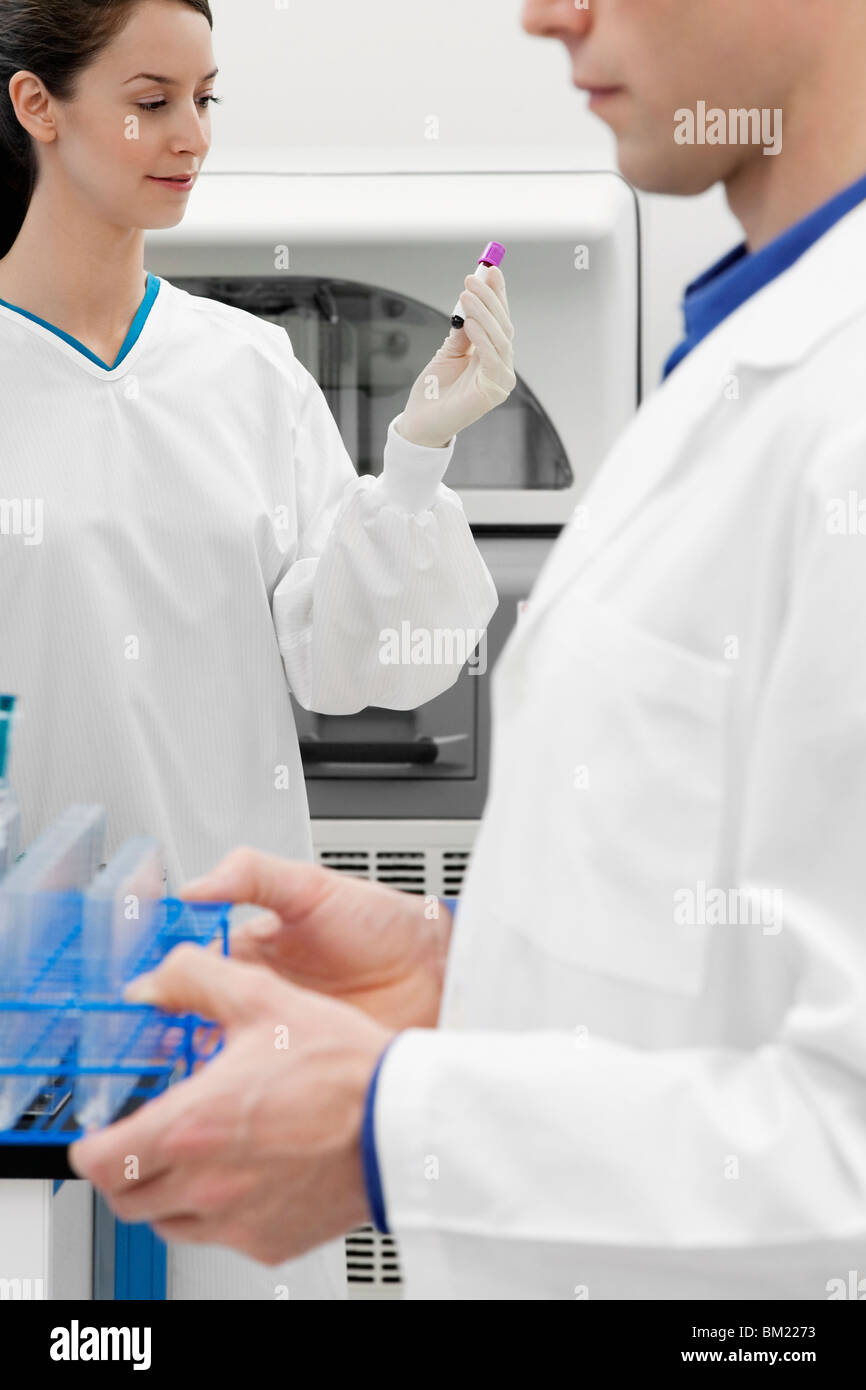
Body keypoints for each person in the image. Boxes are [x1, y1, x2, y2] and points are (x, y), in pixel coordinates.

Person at [70, 0, 866, 1300]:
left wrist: (390, 1127)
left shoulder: (835, 409)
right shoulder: (742, 362)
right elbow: (739, 950)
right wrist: (462, 963)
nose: (543, 11)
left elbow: (842, 1143)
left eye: (201, 98)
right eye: (152, 98)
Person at [0, 0, 513, 1299]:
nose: (190, 136)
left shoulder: (246, 372)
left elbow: (355, 661)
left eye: (207, 100)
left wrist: (415, 457)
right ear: (35, 104)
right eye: (151, 97)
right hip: (21, 997)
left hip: (225, 995)